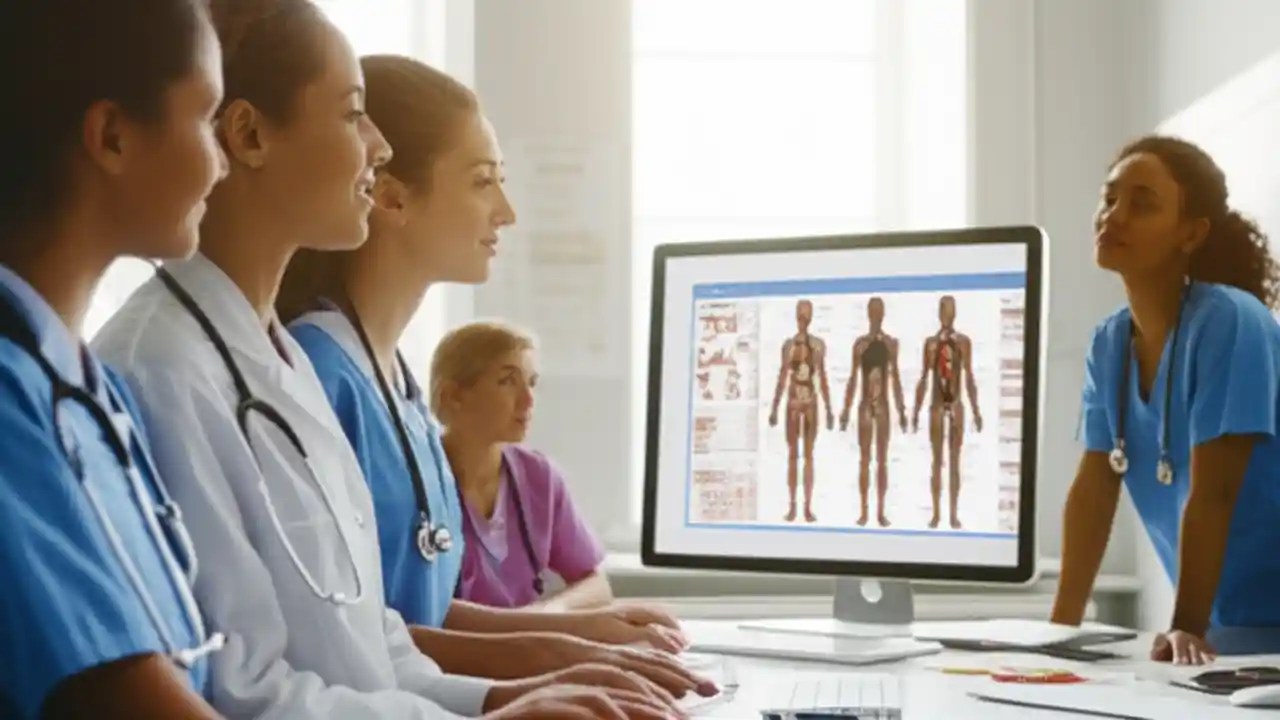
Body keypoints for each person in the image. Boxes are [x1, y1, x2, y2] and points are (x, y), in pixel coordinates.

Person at [92, 2, 679, 718]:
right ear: (247, 134)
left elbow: (376, 650)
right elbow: (240, 692)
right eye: (352, 114)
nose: (377, 146)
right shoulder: (159, 371)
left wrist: (512, 696)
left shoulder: (279, 360)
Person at [280, 54, 712, 698]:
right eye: (483, 182)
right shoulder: (316, 376)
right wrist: (551, 653)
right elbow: (351, 641)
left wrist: (586, 633)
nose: (506, 212)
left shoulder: (393, 380)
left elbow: (412, 619)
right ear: (391, 194)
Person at [0, 2, 227, 718]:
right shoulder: (11, 399)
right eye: (208, 118)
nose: (220, 163)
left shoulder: (98, 393)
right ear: (113, 135)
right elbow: (121, 699)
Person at [1052, 135, 1280, 665]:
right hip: (1230, 642)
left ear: (1191, 233)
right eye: (1109, 199)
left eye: (1142, 203)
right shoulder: (1109, 343)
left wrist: (1185, 631)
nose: (1115, 215)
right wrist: (1056, 636)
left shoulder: (1231, 321)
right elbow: (1092, 493)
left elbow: (1214, 493)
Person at [911, 295, 982, 529]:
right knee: (937, 460)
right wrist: (915, 410)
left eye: (951, 311)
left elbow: (969, 376)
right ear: (939, 313)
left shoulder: (963, 342)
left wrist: (976, 409)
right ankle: (936, 513)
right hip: (937, 404)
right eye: (944, 311)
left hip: (957, 404)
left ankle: (952, 514)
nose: (948, 315)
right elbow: (923, 377)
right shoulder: (931, 344)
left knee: (954, 460)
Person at [839, 297, 907, 528]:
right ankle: (864, 511)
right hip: (865, 404)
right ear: (868, 314)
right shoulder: (860, 344)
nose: (876, 315)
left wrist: (902, 410)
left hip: (884, 405)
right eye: (873, 311)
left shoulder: (890, 344)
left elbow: (895, 378)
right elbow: (852, 379)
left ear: (883, 314)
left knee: (882, 460)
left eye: (879, 311)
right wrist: (846, 410)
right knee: (865, 459)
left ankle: (880, 512)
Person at [767, 299, 833, 523]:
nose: (803, 319)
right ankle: (793, 506)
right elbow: (782, 377)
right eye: (800, 315)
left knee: (808, 455)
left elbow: (822, 377)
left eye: (806, 315)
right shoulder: (789, 346)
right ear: (796, 317)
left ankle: (807, 507)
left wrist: (830, 407)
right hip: (794, 402)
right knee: (793, 455)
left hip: (811, 401)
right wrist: (775, 407)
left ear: (811, 317)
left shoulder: (817, 345)